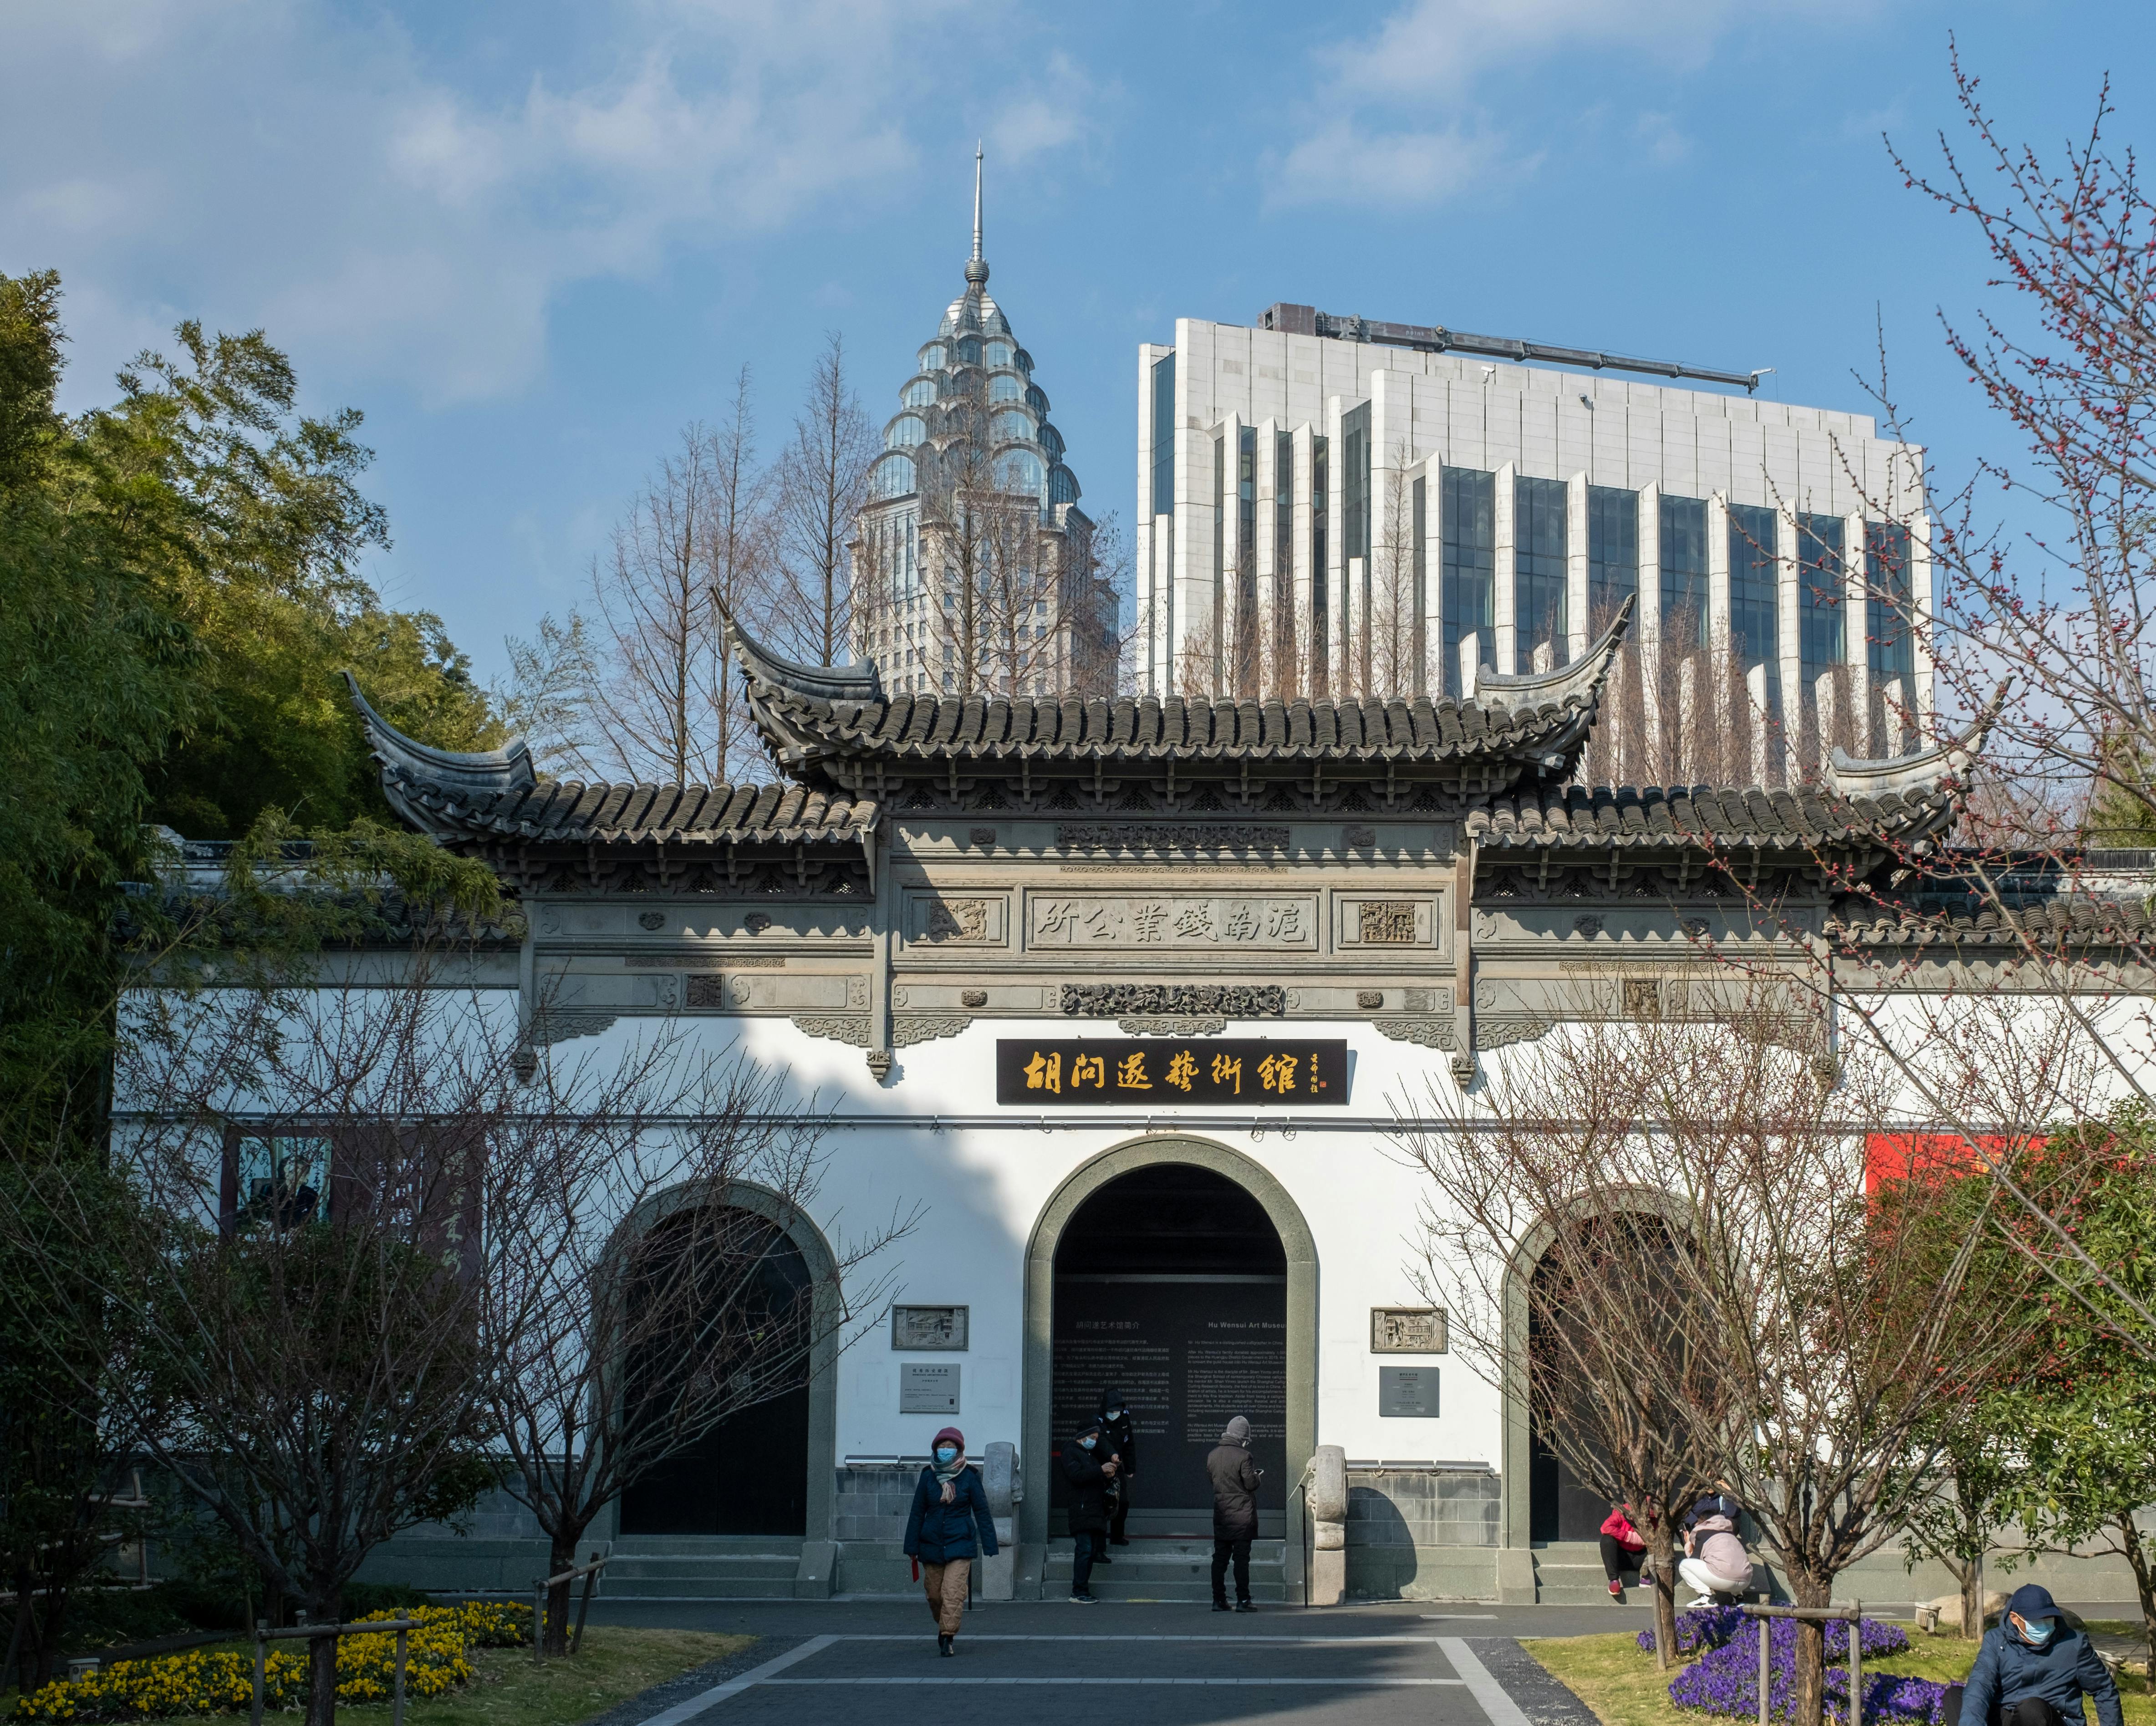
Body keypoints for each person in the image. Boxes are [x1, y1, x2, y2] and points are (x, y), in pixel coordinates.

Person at [1958, 1584, 2122, 1726]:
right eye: (2036, 1621)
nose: (2044, 1625)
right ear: (2015, 1619)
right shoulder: (1996, 1640)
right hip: (2009, 1714)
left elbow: (2103, 1690)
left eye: (2049, 1618)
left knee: (2031, 1710)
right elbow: (1980, 1685)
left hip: (2053, 1718)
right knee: (1957, 1698)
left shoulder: (2075, 1644)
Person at [901, 1426, 997, 1656]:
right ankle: (944, 1624)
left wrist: (990, 1544)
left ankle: (947, 1637)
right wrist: (911, 1547)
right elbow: (917, 1513)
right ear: (935, 1450)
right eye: (942, 1447)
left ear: (959, 1449)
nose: (946, 1450)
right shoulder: (927, 1476)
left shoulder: (970, 1476)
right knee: (935, 1594)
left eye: (950, 1447)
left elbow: (982, 1511)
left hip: (960, 1542)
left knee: (953, 1592)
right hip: (931, 1543)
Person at [1205, 1414, 1262, 1613]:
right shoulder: (1244, 1456)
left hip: (1222, 1515)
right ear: (1242, 1438)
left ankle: (1218, 1600)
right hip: (1241, 1517)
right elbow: (1249, 1484)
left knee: (1220, 1558)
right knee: (1241, 1559)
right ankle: (1243, 1601)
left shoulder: (1213, 1455)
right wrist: (1257, 1478)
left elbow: (1215, 1482)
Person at [1061, 1416, 1117, 1603]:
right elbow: (1076, 1476)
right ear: (1083, 1436)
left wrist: (1108, 1475)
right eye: (1092, 1437)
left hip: (1094, 1510)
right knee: (1084, 1549)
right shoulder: (1071, 1452)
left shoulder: (1090, 1456)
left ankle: (1083, 1589)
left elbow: (1094, 1478)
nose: (1094, 1441)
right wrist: (1100, 1470)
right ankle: (1078, 1591)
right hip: (1082, 1509)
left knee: (1091, 1551)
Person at [1676, 1494, 1751, 1608]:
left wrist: (1688, 1544)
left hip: (1724, 1580)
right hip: (1746, 1581)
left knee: (1684, 1565)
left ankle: (1707, 1598)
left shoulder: (1702, 1532)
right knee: (1730, 1562)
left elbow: (1694, 1560)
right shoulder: (1729, 1532)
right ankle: (1739, 1598)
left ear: (1703, 1521)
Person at [1099, 1386, 1137, 1547]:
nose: (1114, 1414)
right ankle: (1099, 1543)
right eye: (1111, 1411)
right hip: (1100, 1467)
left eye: (1117, 1411)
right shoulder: (1098, 1420)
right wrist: (1111, 1455)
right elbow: (1099, 1442)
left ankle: (1117, 1536)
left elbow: (1129, 1444)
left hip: (1118, 1467)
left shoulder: (1124, 1419)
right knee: (1101, 1504)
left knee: (1123, 1502)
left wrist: (1130, 1468)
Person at [1600, 1503, 1648, 1600]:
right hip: (1622, 1557)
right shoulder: (1622, 1512)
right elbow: (1605, 1527)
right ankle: (1614, 1580)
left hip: (1643, 1557)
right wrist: (1629, 1537)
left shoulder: (1655, 1515)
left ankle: (1647, 1574)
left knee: (1661, 1544)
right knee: (1607, 1540)